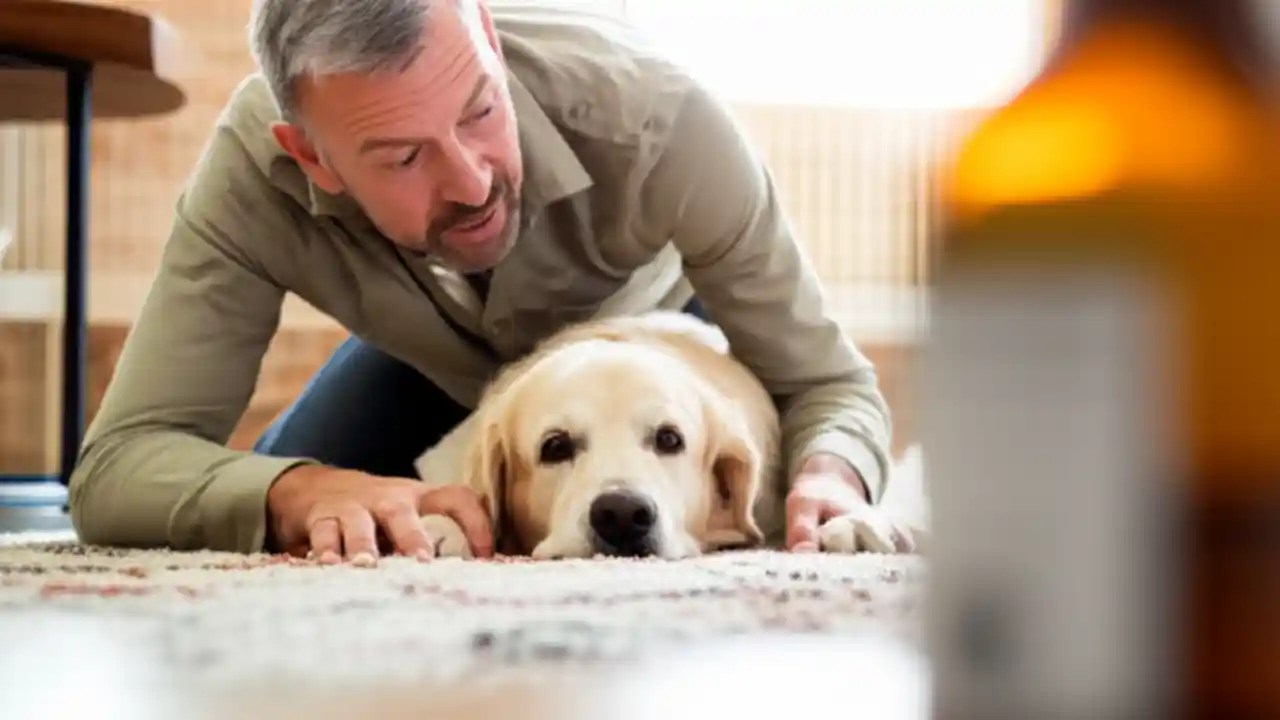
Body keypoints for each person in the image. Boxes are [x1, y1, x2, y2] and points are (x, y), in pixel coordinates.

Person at [68, 0, 895, 565]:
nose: (470, 181)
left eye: (479, 111)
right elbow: (120, 468)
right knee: (311, 520)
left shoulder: (658, 117)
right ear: (311, 154)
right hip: (444, 363)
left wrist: (832, 473)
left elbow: (831, 383)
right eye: (402, 155)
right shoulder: (253, 175)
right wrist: (297, 488)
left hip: (667, 329)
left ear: (489, 42)